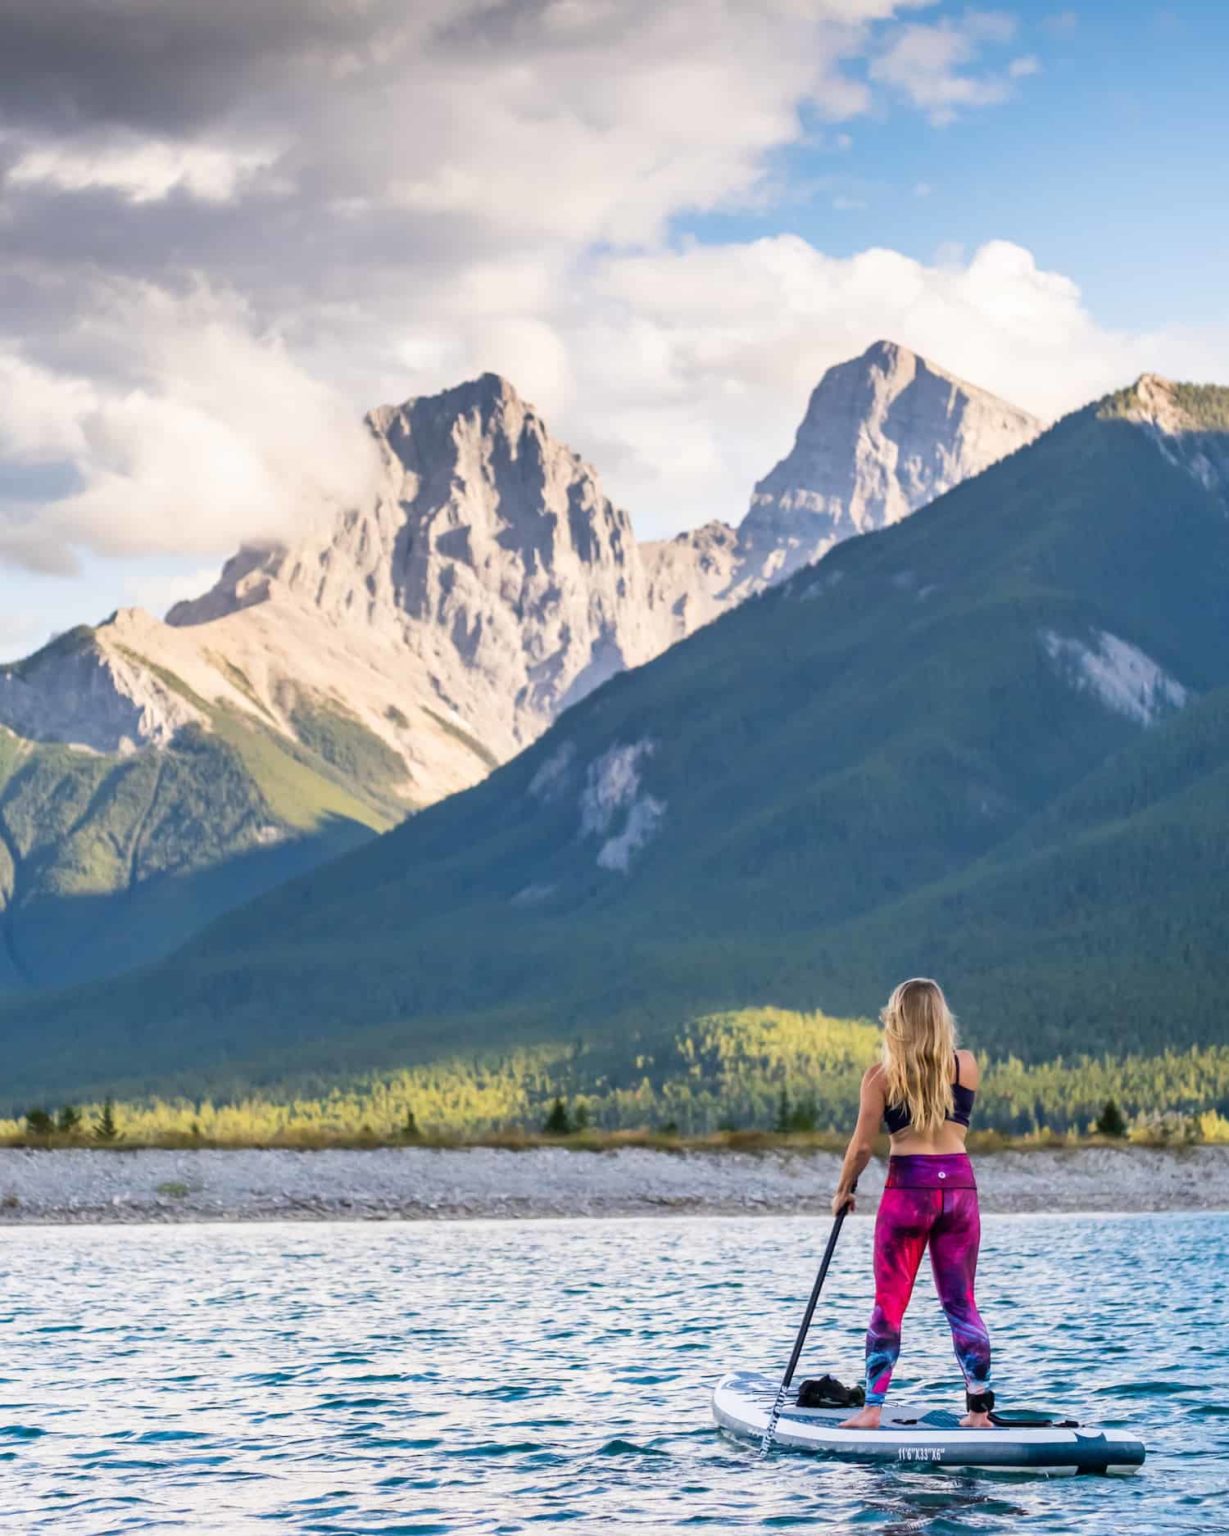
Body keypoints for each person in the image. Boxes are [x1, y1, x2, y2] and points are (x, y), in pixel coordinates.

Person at [830, 978, 995, 1430]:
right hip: (959, 1190)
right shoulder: (966, 1066)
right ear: (942, 1019)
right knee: (962, 1304)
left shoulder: (880, 1076)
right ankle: (979, 1412)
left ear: (895, 1021)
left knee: (890, 1303)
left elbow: (862, 1148)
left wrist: (844, 1189)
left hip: (908, 1190)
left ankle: (873, 1409)